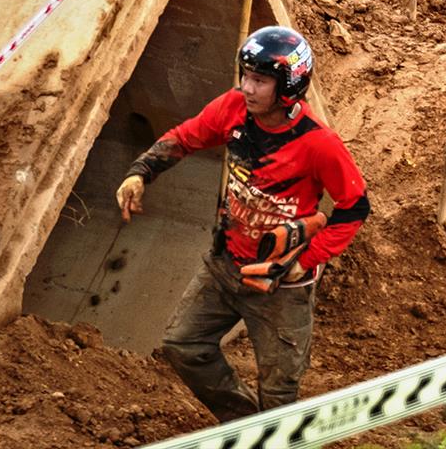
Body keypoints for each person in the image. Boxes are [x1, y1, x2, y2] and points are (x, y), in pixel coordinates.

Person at [114, 26, 368, 422]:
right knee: (183, 346)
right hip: (224, 264)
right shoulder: (232, 108)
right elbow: (186, 137)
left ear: (288, 86)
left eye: (260, 80)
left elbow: (355, 206)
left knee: (279, 390)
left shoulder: (319, 144)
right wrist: (140, 172)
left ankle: (271, 434)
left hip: (282, 285)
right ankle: (246, 427)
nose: (247, 88)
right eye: (245, 76)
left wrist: (310, 258)